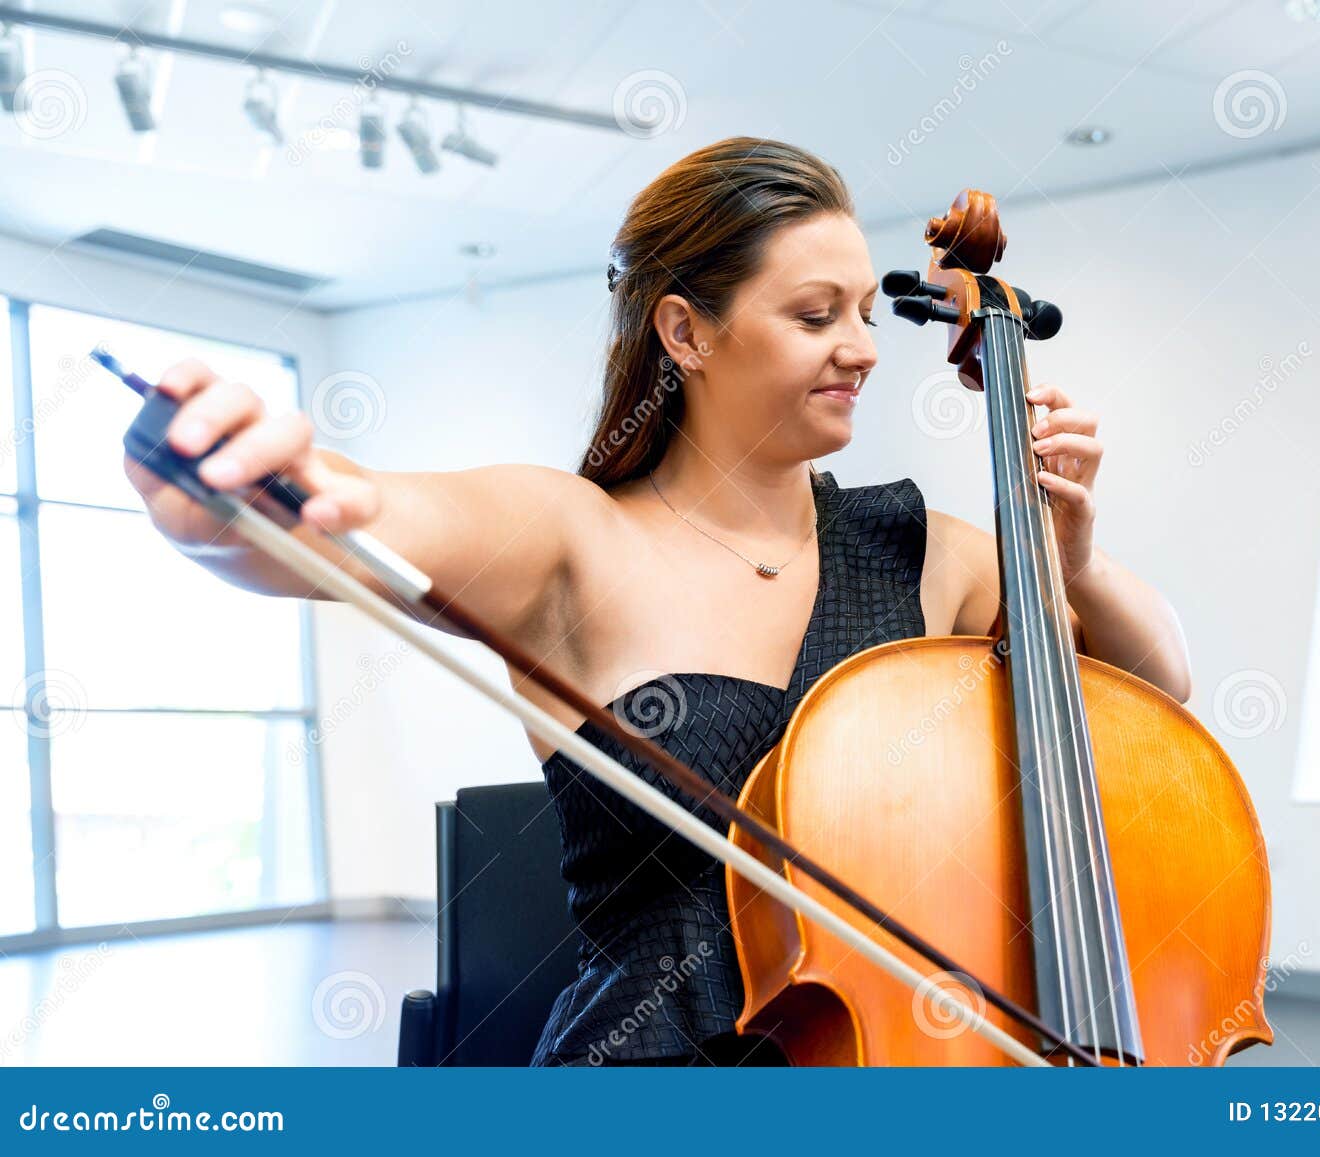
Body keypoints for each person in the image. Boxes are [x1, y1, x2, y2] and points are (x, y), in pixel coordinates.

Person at [128, 136, 1193, 1067]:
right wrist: (250, 500)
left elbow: (1156, 693)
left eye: (867, 312)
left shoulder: (919, 550)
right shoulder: (572, 537)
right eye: (815, 314)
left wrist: (1078, 559)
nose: (864, 347)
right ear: (685, 332)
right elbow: (357, 526)